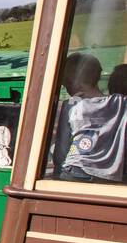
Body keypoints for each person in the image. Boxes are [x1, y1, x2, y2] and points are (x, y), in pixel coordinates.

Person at [52, 53, 127, 181]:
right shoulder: (120, 103)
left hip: (76, 170)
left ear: (73, 82)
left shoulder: (73, 104)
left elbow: (61, 153)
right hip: (109, 175)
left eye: (65, 85)